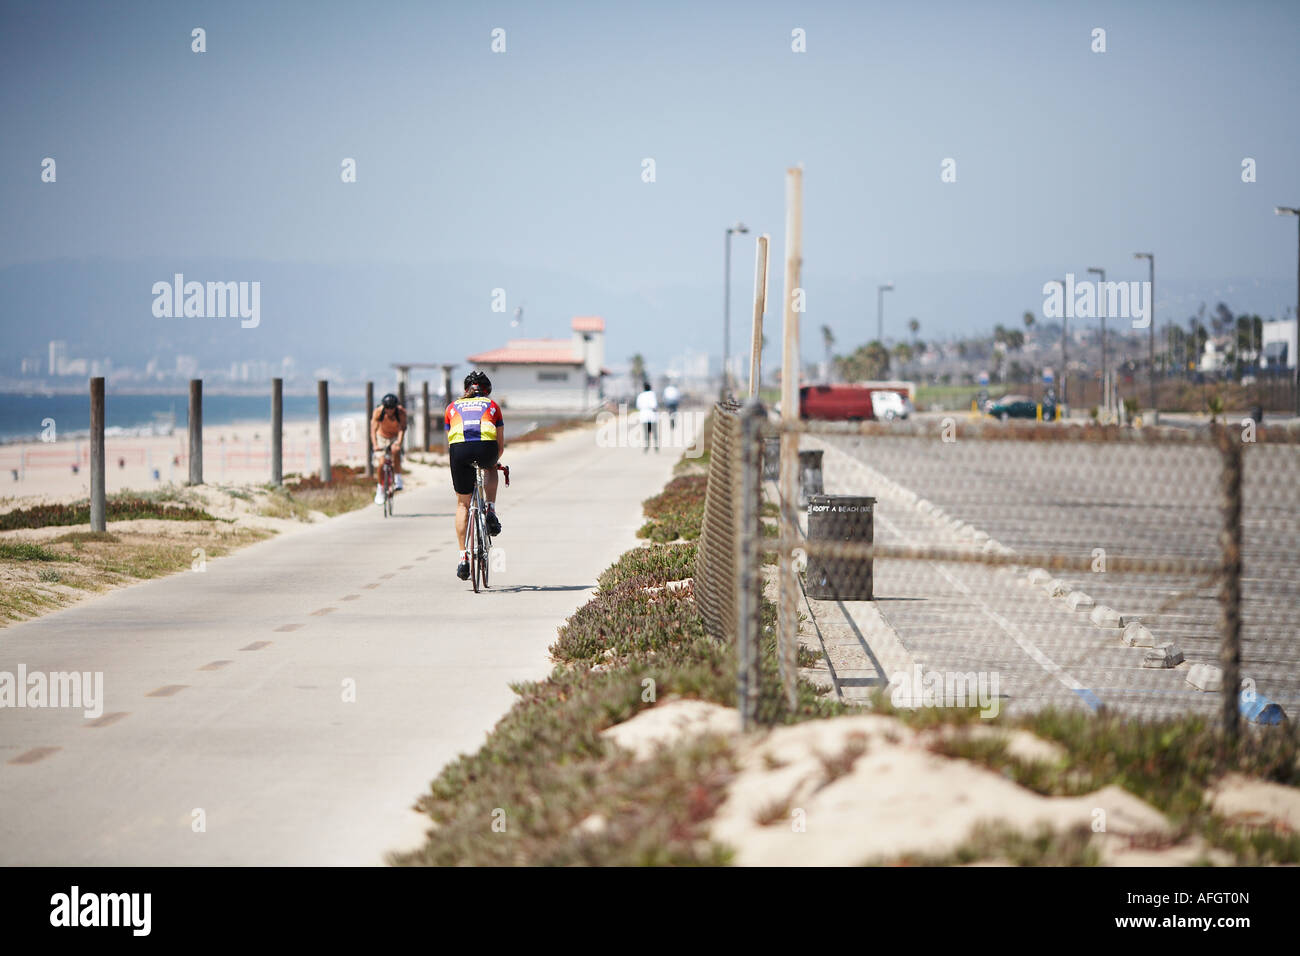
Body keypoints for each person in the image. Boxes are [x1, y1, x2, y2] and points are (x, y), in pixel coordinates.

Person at [446, 370, 505, 580]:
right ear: (486, 391)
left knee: (462, 504)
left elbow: (451, 441)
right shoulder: (492, 406)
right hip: (486, 449)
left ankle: (463, 557)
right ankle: (490, 509)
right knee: (492, 465)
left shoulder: (452, 407)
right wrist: (492, 461)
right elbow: (499, 446)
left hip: (459, 452)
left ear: (465, 390)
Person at [370, 392, 407, 504]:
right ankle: (380, 488)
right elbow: (373, 431)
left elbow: (402, 429)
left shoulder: (400, 412)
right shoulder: (378, 412)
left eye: (391, 408)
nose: (389, 411)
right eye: (387, 408)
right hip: (382, 437)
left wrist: (398, 443)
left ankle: (398, 478)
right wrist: (375, 445)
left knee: (395, 451)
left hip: (395, 436)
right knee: (381, 463)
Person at [635, 381, 659, 452]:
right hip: (652, 415)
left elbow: (638, 406)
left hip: (644, 415)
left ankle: (646, 446)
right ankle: (656, 446)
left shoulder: (640, 395)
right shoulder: (652, 394)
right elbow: (654, 405)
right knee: (654, 432)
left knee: (646, 432)